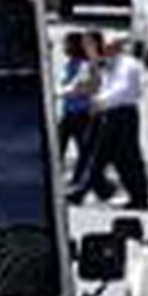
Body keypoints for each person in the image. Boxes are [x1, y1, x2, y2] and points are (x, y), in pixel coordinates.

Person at [71, 33, 148, 209]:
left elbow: (124, 90)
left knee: (111, 155)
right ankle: (137, 197)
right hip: (110, 113)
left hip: (122, 115)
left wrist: (101, 101)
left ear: (118, 48)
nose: (105, 50)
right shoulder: (110, 64)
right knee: (120, 157)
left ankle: (82, 191)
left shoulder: (128, 65)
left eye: (109, 47)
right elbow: (99, 81)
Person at [55, 32, 100, 189]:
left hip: (81, 114)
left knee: (85, 151)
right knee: (57, 147)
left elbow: (81, 87)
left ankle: (86, 181)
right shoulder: (69, 64)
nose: (64, 47)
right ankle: (56, 177)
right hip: (68, 113)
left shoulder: (84, 65)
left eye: (66, 44)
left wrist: (60, 92)